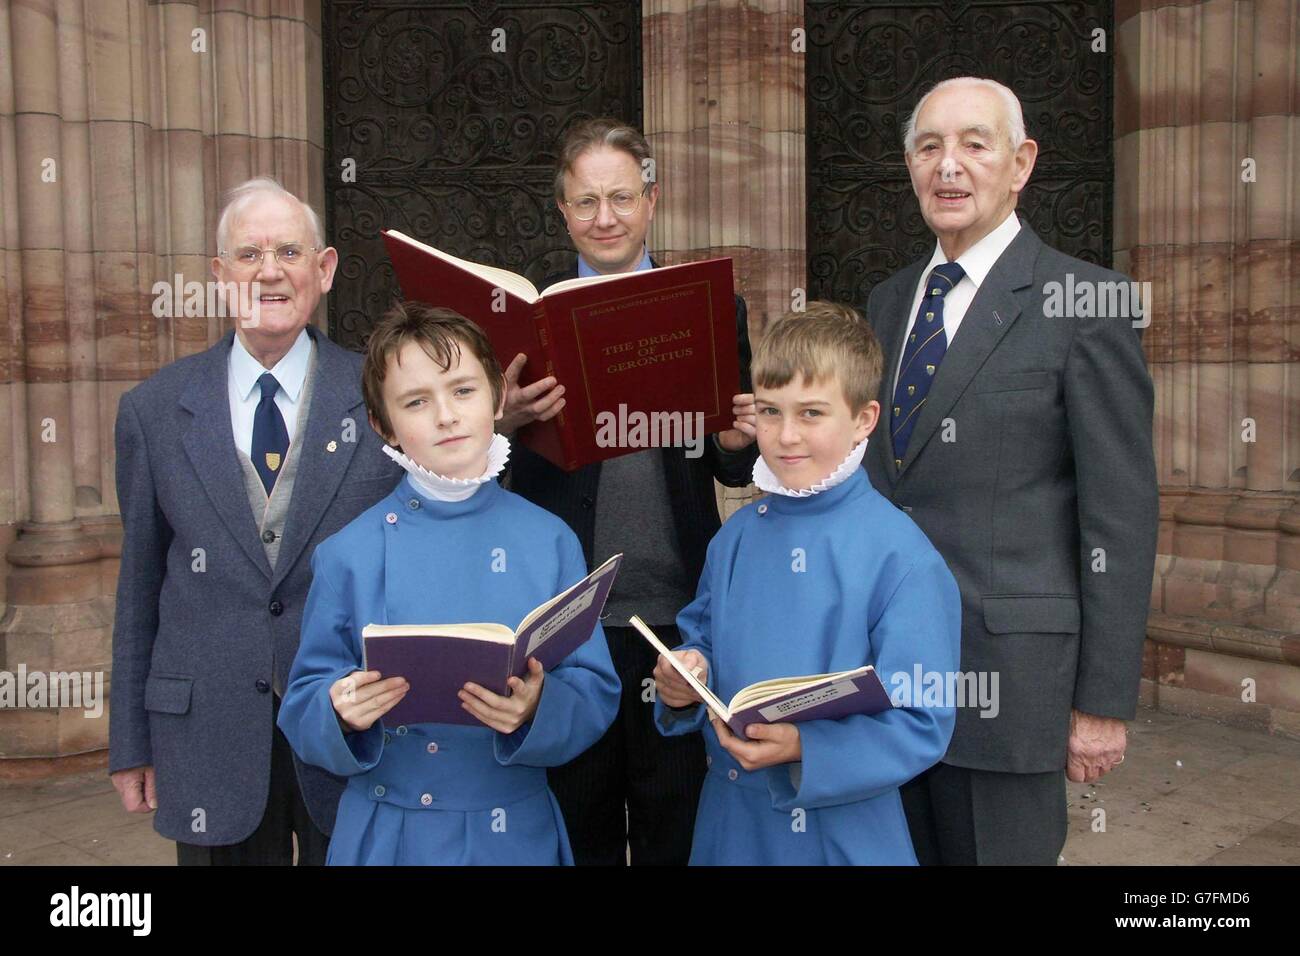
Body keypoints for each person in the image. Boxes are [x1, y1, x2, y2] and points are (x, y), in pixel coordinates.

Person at [862, 77, 1159, 865]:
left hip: (1011, 690)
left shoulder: (1086, 303)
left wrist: (1101, 704)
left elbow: (1120, 520)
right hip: (886, 685)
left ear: (1021, 162)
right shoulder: (887, 306)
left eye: (973, 144)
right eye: (929, 148)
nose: (947, 167)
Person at [109, 177, 403, 864]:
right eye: (248, 254)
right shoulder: (154, 411)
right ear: (219, 275)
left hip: (353, 720)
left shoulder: (382, 396)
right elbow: (139, 585)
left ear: (323, 270)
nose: (269, 271)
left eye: (289, 251)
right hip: (206, 732)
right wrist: (132, 742)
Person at [500, 117, 759, 865]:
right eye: (585, 202)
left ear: (653, 200)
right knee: (577, 826)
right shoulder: (527, 323)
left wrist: (736, 445)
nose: (604, 218)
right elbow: (481, 468)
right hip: (567, 623)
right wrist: (506, 423)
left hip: (679, 624)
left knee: (674, 824)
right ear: (563, 212)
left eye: (621, 197)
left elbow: (733, 470)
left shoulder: (714, 309)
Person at [276, 302, 620, 865]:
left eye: (463, 391)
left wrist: (538, 708)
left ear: (498, 397)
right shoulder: (347, 553)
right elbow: (303, 701)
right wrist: (337, 709)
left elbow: (594, 689)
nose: (446, 416)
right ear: (382, 424)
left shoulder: (550, 539)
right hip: (388, 834)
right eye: (416, 401)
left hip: (512, 834)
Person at [653, 302, 961, 864]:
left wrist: (807, 749)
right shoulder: (735, 537)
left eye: (812, 413)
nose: (786, 436)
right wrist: (685, 677)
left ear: (864, 419)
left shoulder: (902, 555)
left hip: (841, 830)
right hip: (732, 826)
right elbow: (702, 639)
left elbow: (923, 719)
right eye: (770, 411)